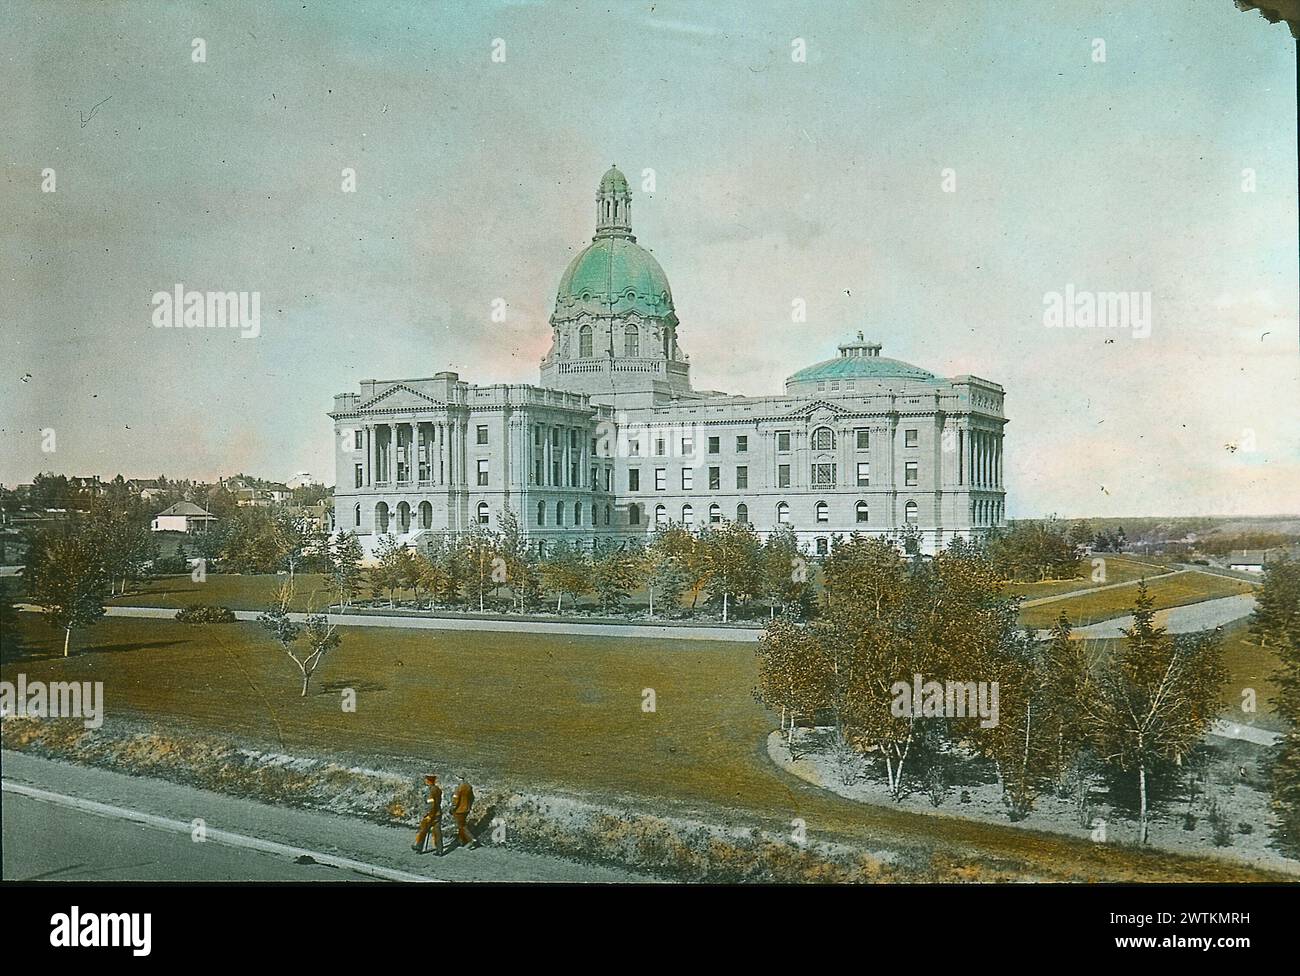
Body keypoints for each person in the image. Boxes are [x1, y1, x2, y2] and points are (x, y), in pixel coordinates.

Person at [412, 774, 444, 855]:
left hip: (431, 814)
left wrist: (429, 815)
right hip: (438, 813)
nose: (425, 781)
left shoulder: (430, 791)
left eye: (426, 780)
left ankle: (419, 846)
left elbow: (431, 805)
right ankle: (440, 850)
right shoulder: (438, 789)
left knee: (423, 829)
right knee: (437, 832)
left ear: (429, 781)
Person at [451, 773, 480, 850]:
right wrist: (469, 805)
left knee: (462, 826)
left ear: (459, 778)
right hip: (466, 809)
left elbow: (455, 801)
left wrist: (452, 809)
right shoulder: (468, 786)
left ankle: (473, 840)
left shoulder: (458, 788)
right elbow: (472, 798)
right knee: (461, 825)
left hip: (459, 810)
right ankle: (461, 841)